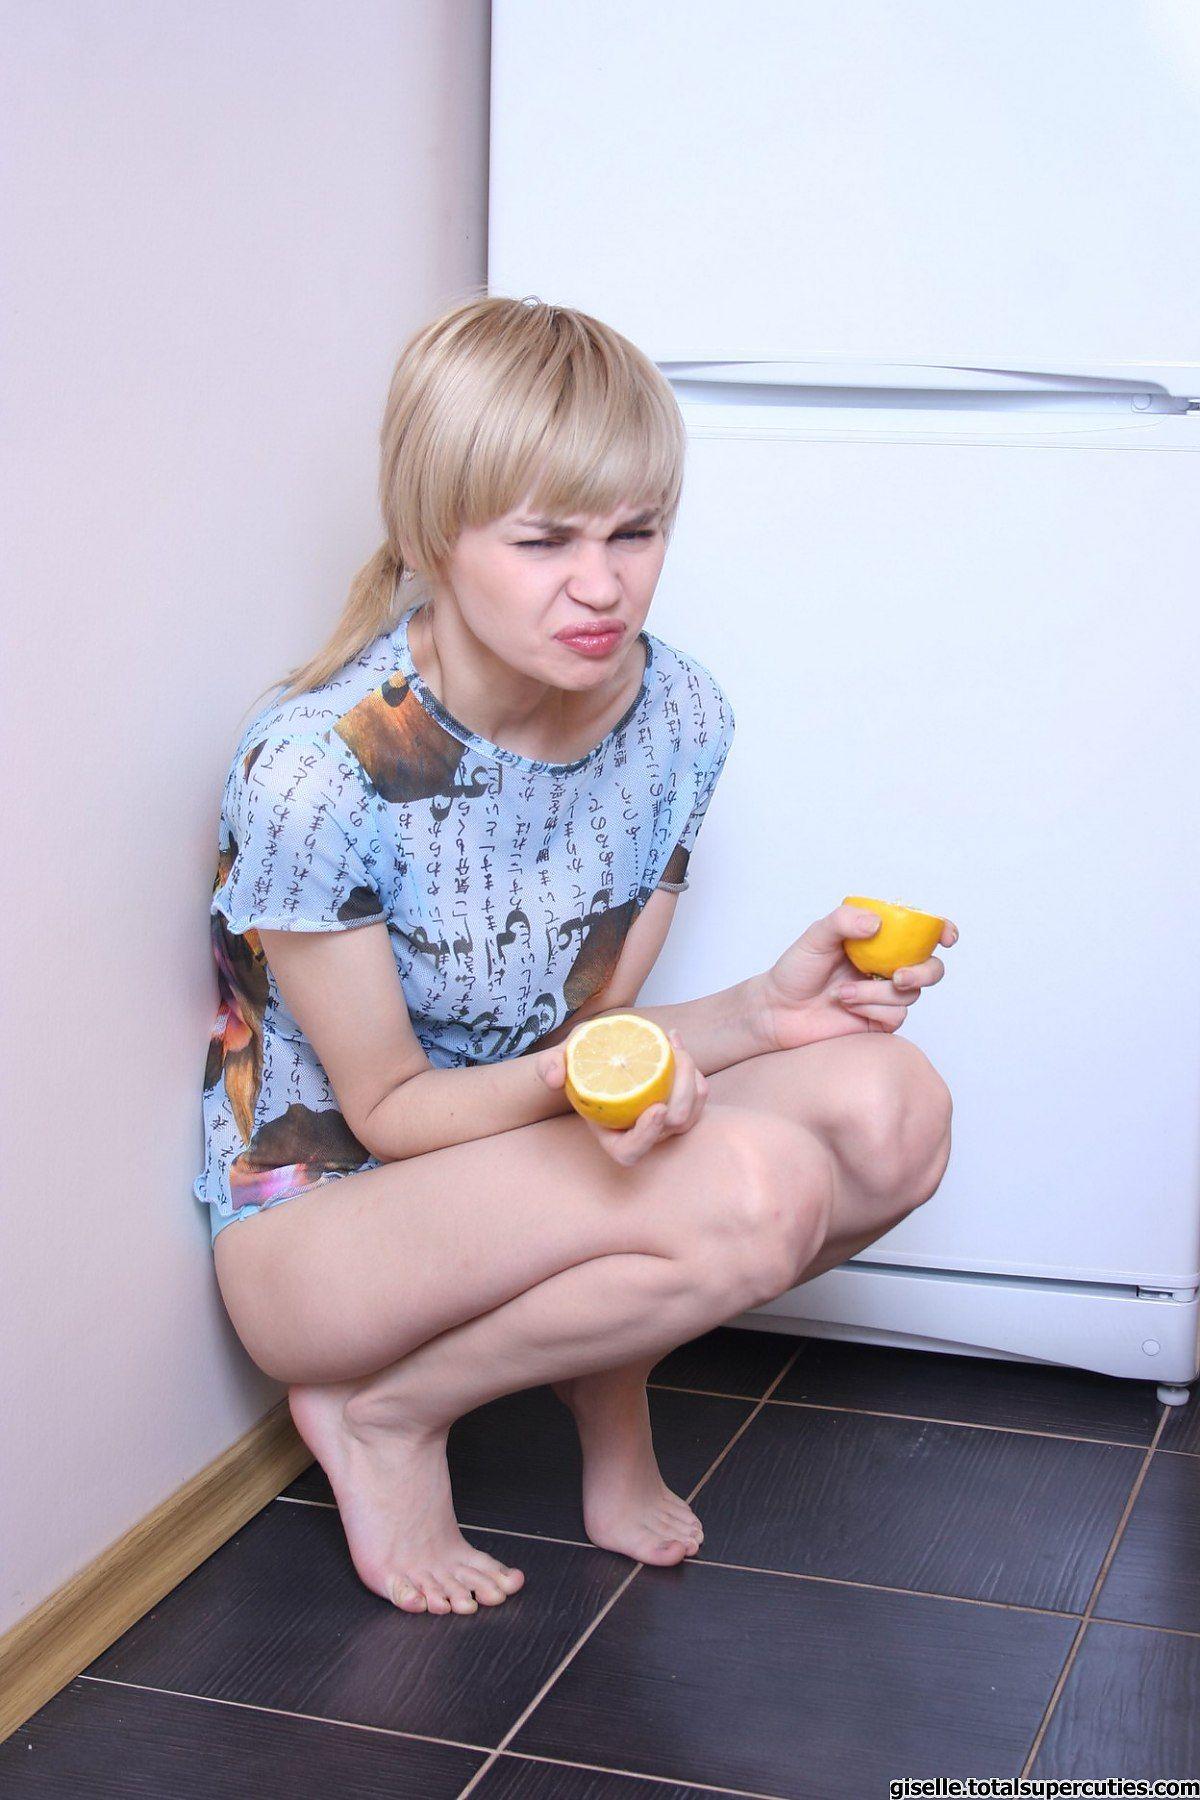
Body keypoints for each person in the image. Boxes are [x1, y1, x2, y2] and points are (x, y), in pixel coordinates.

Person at [194, 292, 958, 1618]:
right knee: (753, 1186)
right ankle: (387, 1415)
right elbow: (389, 1112)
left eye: (636, 531)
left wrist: (764, 1014)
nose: (600, 586)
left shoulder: (678, 714)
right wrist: (601, 1092)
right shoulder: (319, 771)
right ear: (436, 536)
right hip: (326, 1223)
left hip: (519, 1167)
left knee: (897, 1113)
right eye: (544, 540)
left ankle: (600, 1412)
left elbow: (590, 1045)